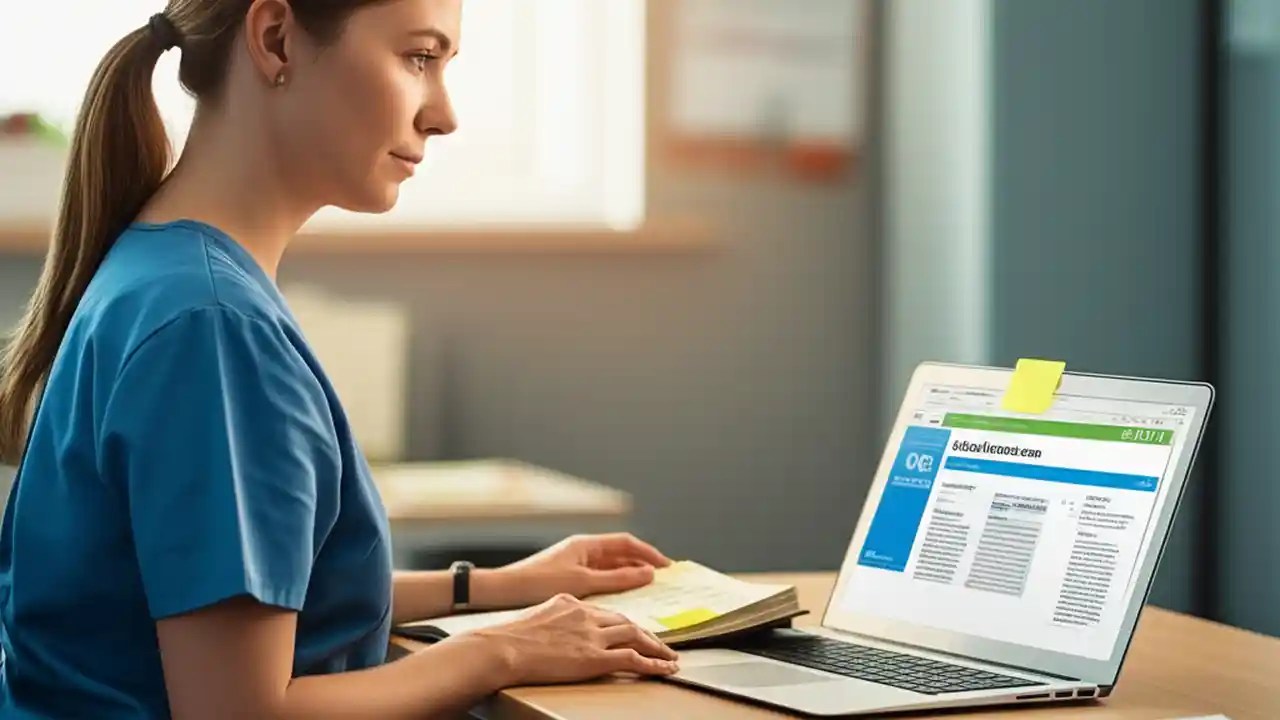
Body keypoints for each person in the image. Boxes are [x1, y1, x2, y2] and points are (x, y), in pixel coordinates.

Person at [0, 1, 680, 717]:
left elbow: (232, 600)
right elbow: (239, 711)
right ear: (276, 39)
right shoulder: (213, 327)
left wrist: (498, 585)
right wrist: (499, 651)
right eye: (419, 58)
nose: (442, 115)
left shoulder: (160, 271)